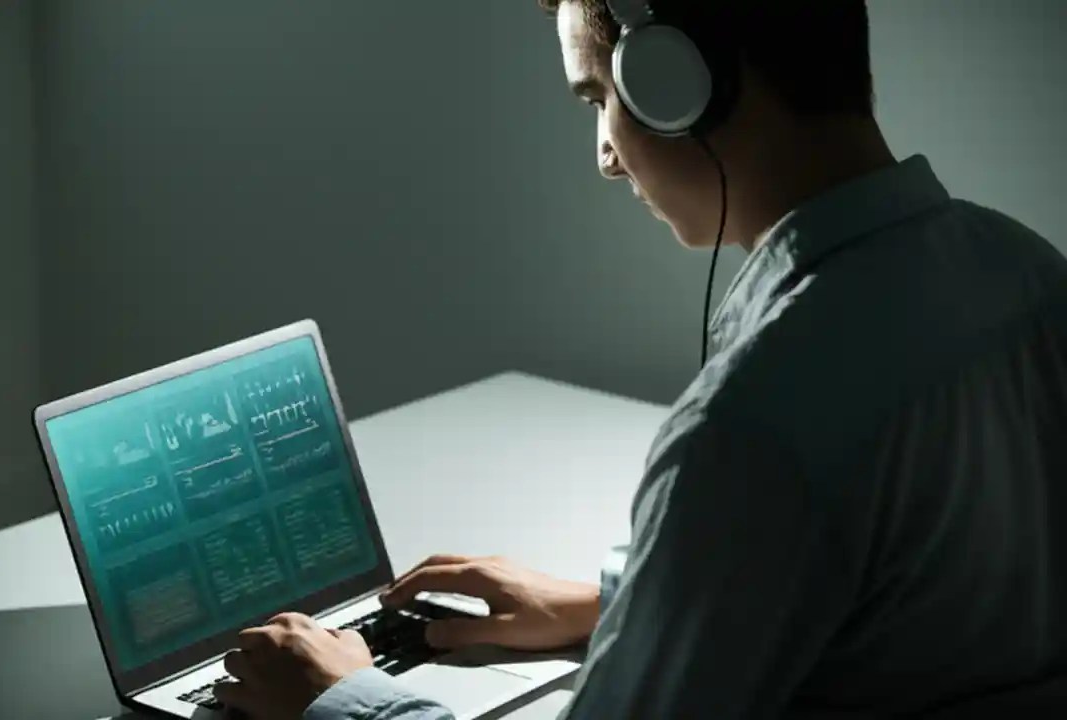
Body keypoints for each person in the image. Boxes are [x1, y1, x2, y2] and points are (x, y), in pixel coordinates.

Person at [211, 0, 1067, 718]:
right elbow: (917, 611)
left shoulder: (755, 423)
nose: (607, 157)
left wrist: (341, 696)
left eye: (598, 100)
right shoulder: (1030, 274)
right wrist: (616, 607)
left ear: (679, 84)